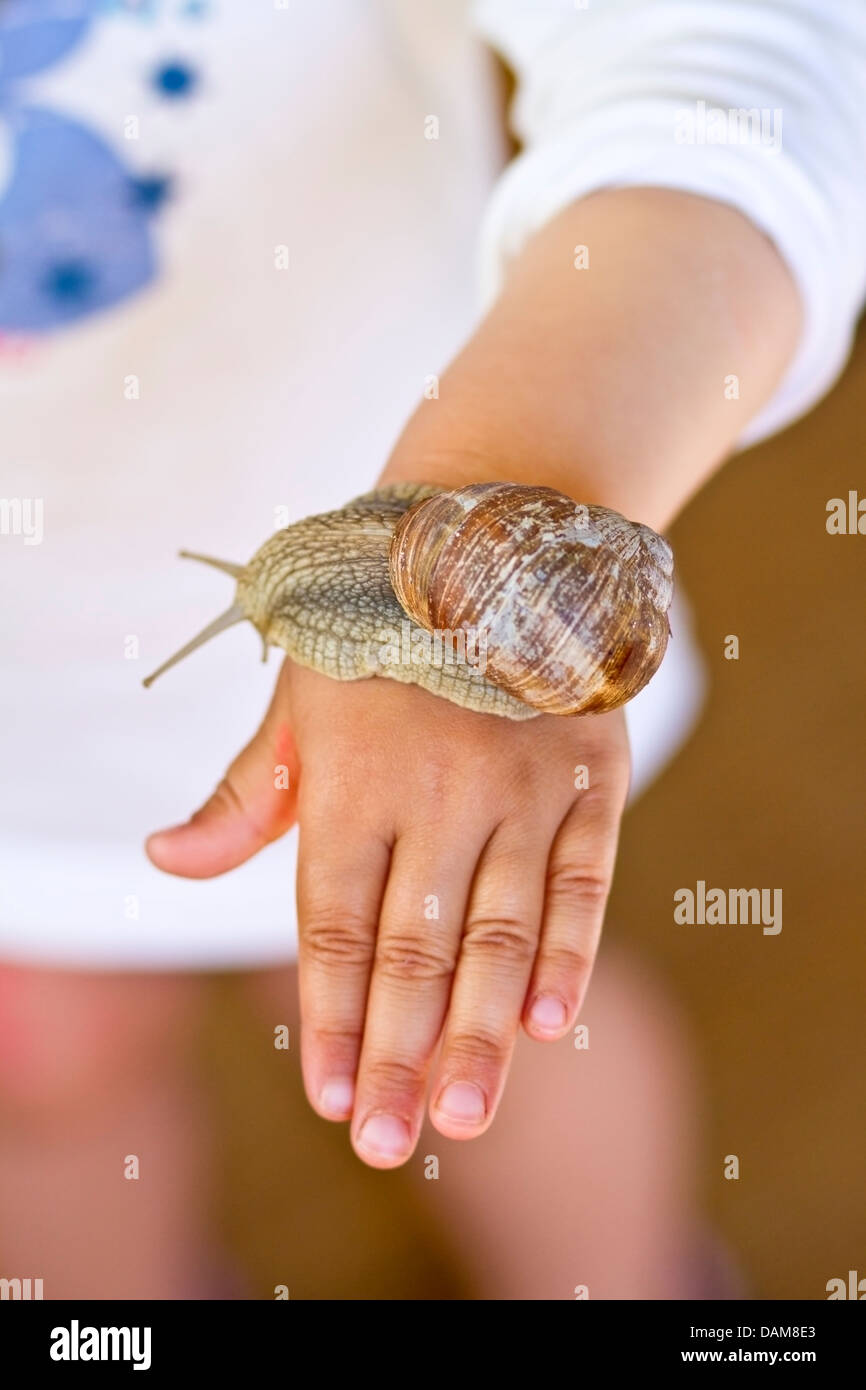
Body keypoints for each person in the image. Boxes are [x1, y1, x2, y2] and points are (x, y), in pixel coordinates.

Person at [1, 0, 864, 1299]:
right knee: (44, 1064)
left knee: (486, 1022)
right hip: (34, 728)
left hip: (404, 538)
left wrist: (506, 476)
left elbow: (734, 57)